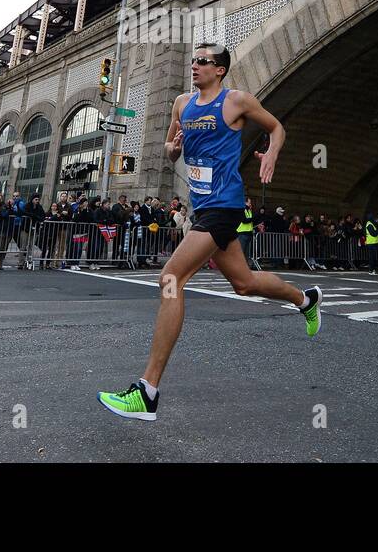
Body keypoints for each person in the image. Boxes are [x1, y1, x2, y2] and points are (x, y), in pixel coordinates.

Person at [98, 44, 322, 422]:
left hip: (225, 205)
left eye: (204, 62)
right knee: (244, 283)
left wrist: (271, 152)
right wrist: (174, 147)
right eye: (194, 61)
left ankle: (147, 391)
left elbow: (276, 127)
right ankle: (306, 299)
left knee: (170, 278)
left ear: (220, 70)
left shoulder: (237, 102)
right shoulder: (182, 104)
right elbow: (170, 150)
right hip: (202, 207)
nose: (195, 66)